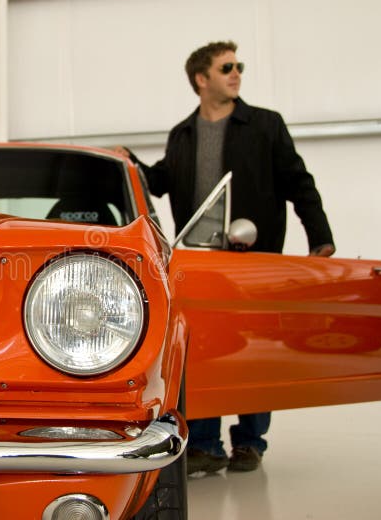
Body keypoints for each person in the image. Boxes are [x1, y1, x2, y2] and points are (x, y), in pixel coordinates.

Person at [120, 41, 335, 475]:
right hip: (200, 263)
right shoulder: (183, 133)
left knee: (252, 350)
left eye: (239, 67)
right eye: (227, 68)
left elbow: (298, 181)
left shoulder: (265, 125)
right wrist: (134, 164)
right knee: (204, 354)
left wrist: (321, 238)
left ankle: (250, 442)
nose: (237, 74)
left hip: (253, 259)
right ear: (202, 79)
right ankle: (204, 444)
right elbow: (162, 180)